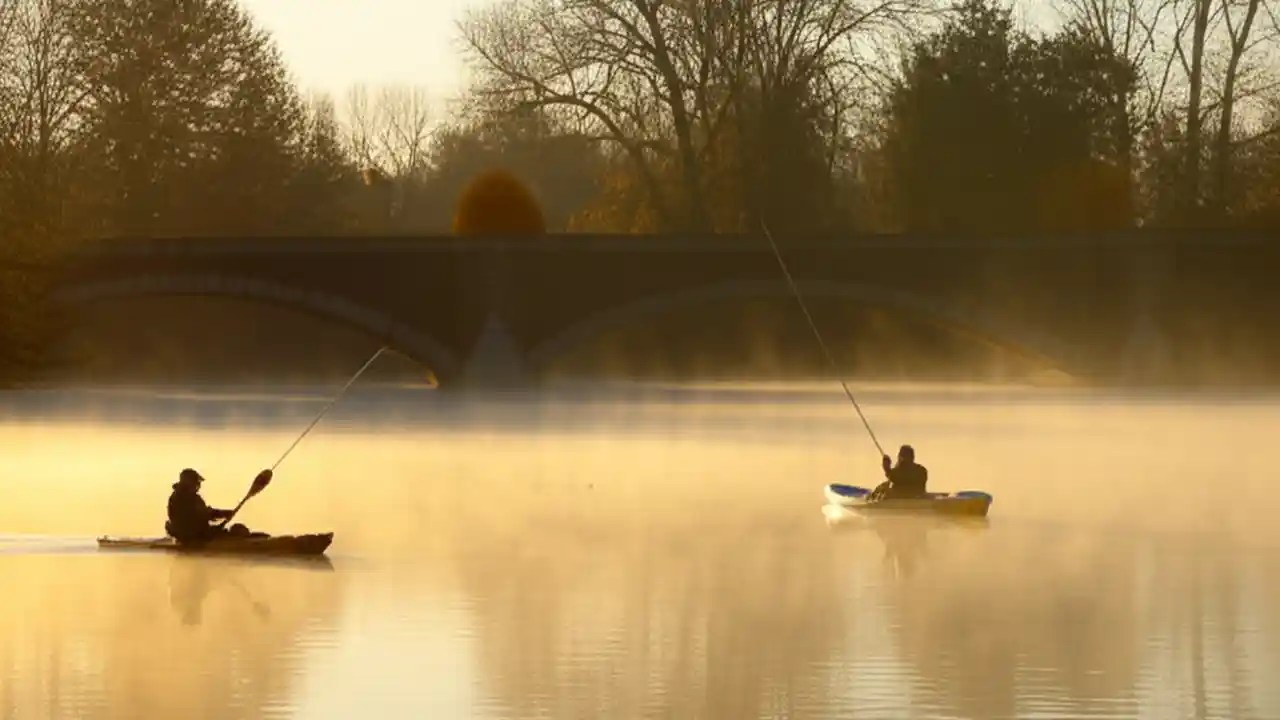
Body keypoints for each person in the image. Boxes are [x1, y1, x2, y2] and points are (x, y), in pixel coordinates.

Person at [166, 468, 268, 544]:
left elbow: (203, 513)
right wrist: (224, 514)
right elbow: (202, 514)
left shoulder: (185, 496)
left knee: (239, 530)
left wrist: (224, 515)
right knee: (238, 530)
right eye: (197, 482)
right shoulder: (184, 497)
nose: (198, 485)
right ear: (190, 482)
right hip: (194, 537)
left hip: (196, 534)